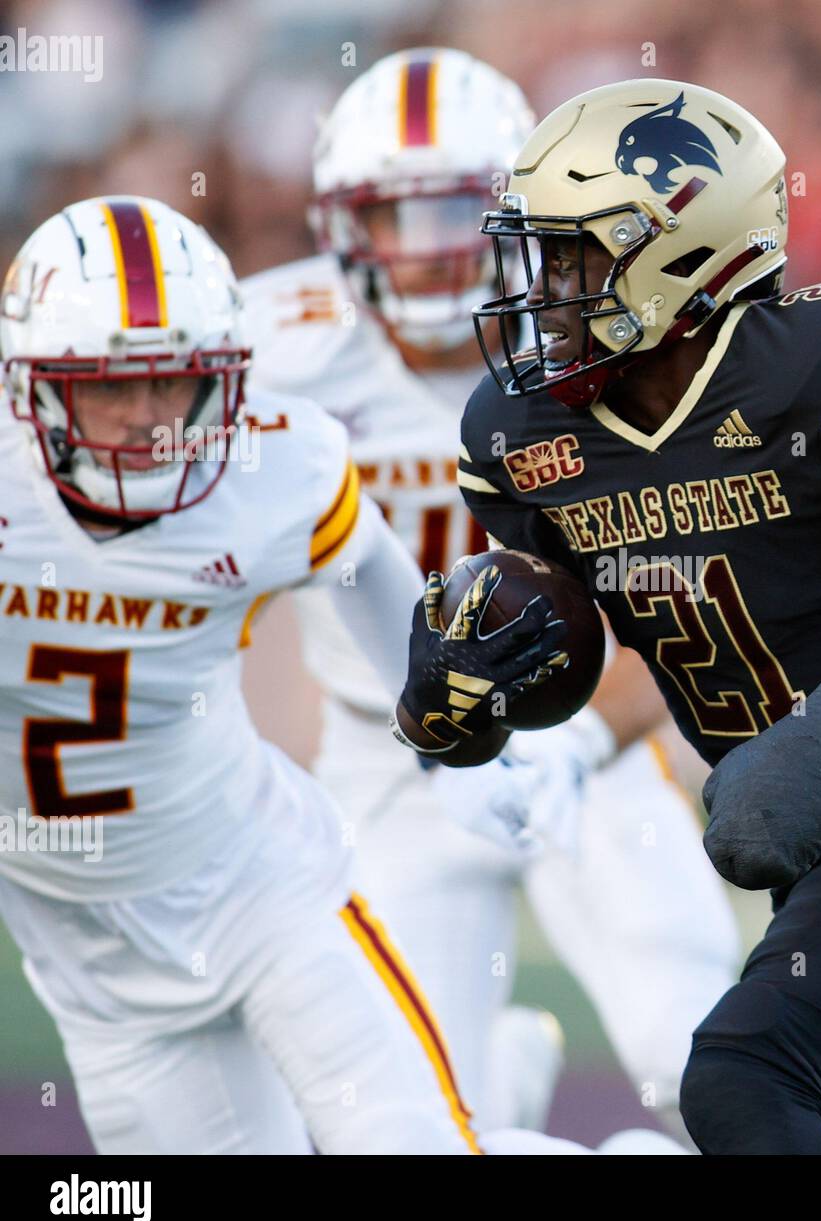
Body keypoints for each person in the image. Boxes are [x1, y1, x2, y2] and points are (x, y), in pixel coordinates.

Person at [394, 79, 821, 1155]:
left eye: (575, 258)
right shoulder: (528, 432)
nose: (544, 291)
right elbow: (560, 641)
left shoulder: (811, 364)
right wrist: (470, 704)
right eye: (542, 257)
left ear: (679, 251)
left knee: (737, 1079)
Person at [0, 193, 654, 1157]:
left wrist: (464, 750)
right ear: (36, 387)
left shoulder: (277, 468)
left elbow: (414, 645)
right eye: (109, 387)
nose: (146, 422)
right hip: (97, 970)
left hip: (266, 892)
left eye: (174, 383)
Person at [241, 48, 738, 1133]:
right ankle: (501, 1082)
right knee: (409, 1123)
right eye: (391, 218)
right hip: (393, 751)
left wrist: (582, 741)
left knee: (700, 1059)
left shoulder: (605, 328)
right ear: (335, 224)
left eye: (455, 215)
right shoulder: (258, 348)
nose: (423, 260)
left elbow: (690, 575)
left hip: (588, 732)